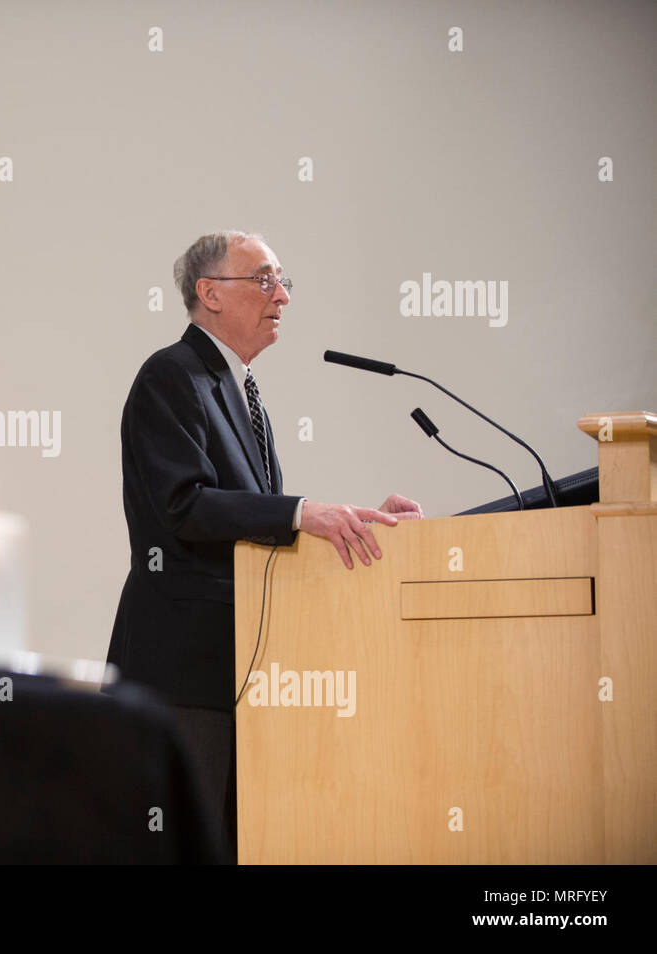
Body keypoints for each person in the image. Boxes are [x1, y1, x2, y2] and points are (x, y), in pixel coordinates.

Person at [105, 230, 423, 862]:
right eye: (264, 280)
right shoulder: (171, 375)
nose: (281, 295)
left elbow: (254, 524)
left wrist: (349, 520)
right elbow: (185, 504)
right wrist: (305, 513)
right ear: (210, 293)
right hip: (183, 672)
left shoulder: (238, 387)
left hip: (241, 667)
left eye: (283, 281)